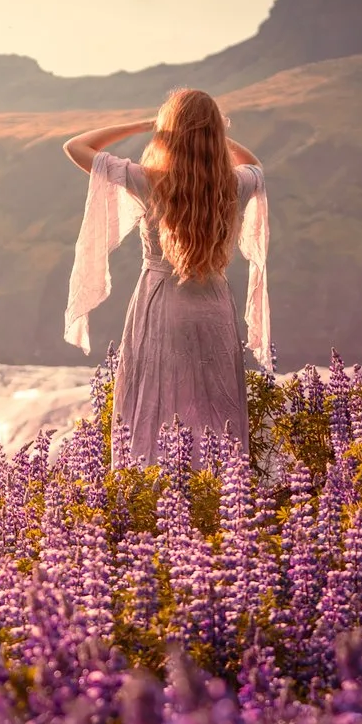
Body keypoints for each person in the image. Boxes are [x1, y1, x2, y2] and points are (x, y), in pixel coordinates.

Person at [60, 87, 270, 461]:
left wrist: (148, 126)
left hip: (160, 302)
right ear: (216, 136)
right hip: (214, 306)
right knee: (213, 404)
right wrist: (212, 136)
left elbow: (76, 146)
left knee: (154, 398)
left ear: (167, 132)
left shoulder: (148, 179)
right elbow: (254, 163)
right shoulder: (234, 185)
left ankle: (149, 484)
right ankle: (214, 488)